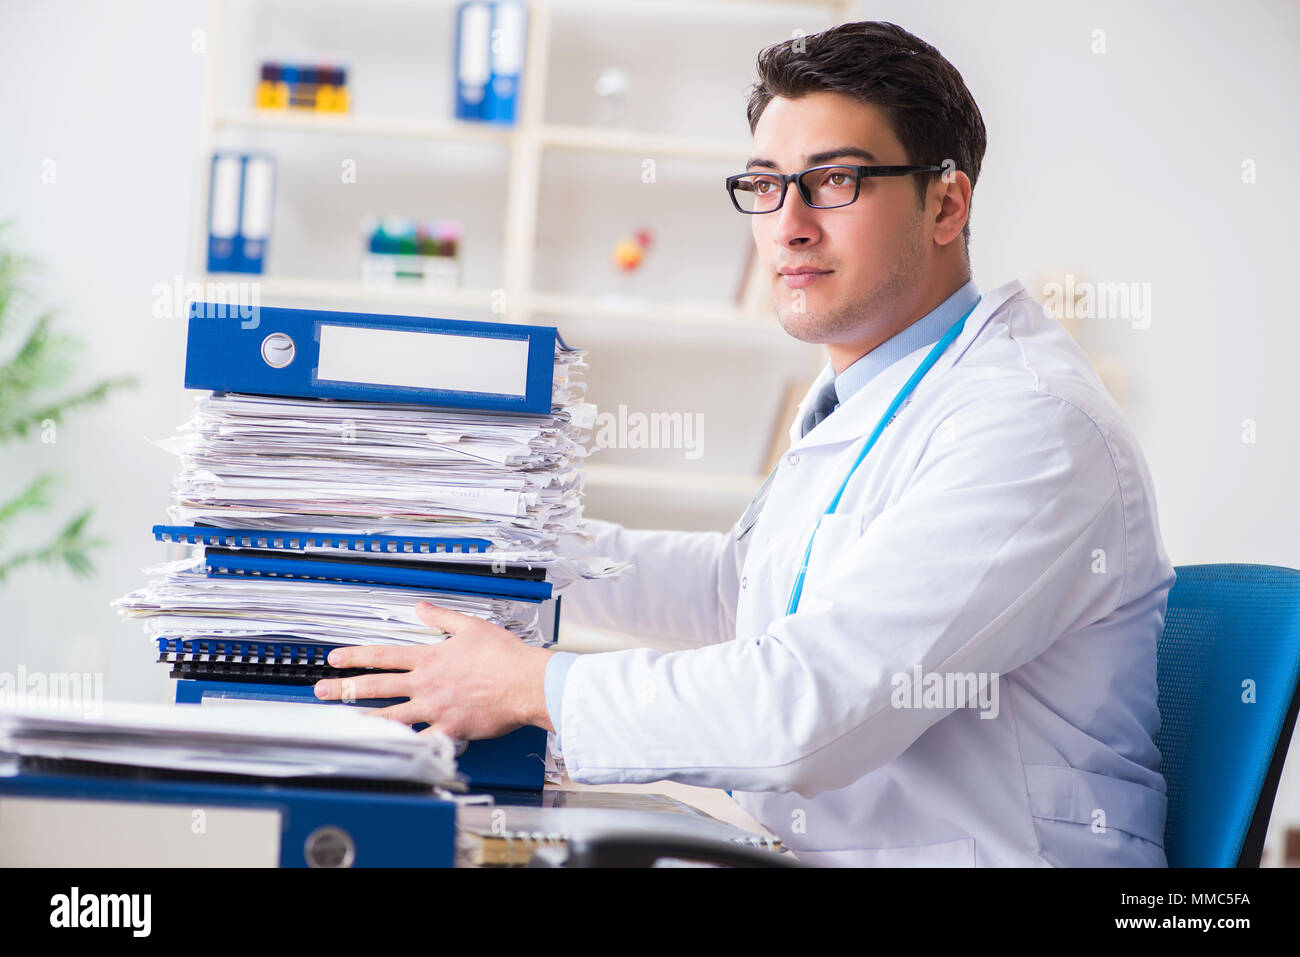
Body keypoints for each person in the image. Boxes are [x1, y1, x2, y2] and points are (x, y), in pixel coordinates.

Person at [315, 20, 1174, 867]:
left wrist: (532, 685)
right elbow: (742, 591)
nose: (789, 224)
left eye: (835, 181)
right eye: (766, 185)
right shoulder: (869, 390)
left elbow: (810, 708)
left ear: (945, 202)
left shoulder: (1028, 423)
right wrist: (507, 550)